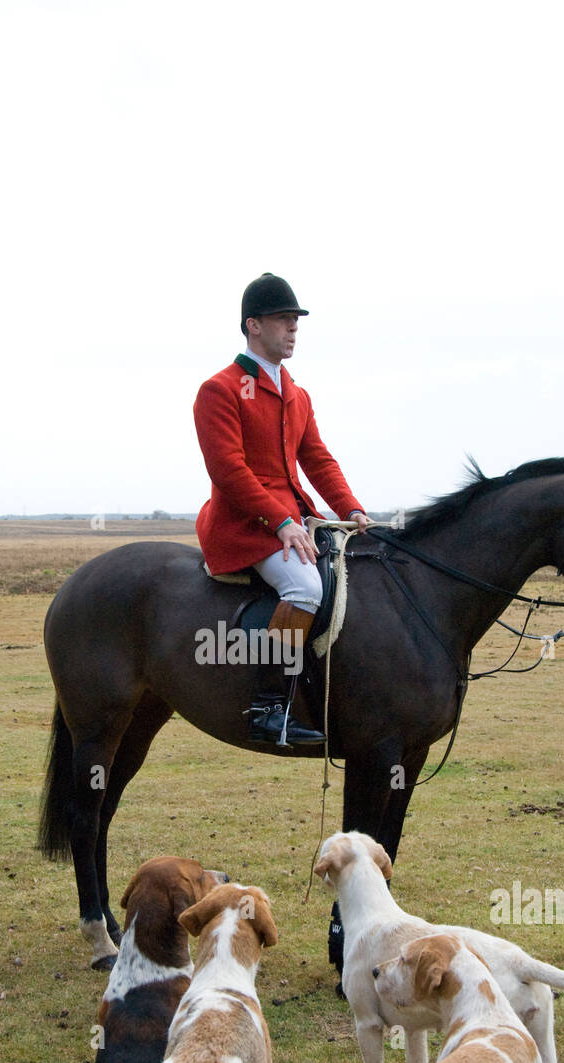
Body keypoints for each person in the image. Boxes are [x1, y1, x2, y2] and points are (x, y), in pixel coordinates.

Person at [194, 273, 370, 745]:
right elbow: (229, 471)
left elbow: (316, 459)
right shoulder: (220, 389)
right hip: (242, 524)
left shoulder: (296, 392)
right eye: (283, 320)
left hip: (292, 519)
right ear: (253, 325)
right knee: (305, 585)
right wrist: (282, 522)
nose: (293, 329)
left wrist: (351, 510)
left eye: (296, 321)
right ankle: (269, 708)